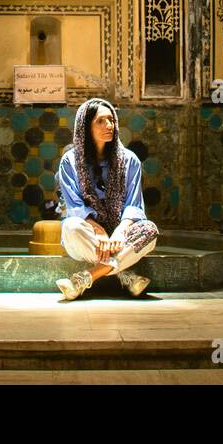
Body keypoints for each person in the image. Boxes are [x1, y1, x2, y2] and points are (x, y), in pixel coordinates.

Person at [54, 97, 160, 300]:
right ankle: (125, 274)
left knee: (149, 230)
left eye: (111, 120)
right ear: (85, 127)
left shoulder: (130, 161)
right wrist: (98, 230)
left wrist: (119, 232)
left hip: (121, 236)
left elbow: (134, 205)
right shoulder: (70, 161)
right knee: (71, 226)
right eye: (100, 121)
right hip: (88, 235)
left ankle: (84, 278)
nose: (109, 125)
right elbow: (75, 207)